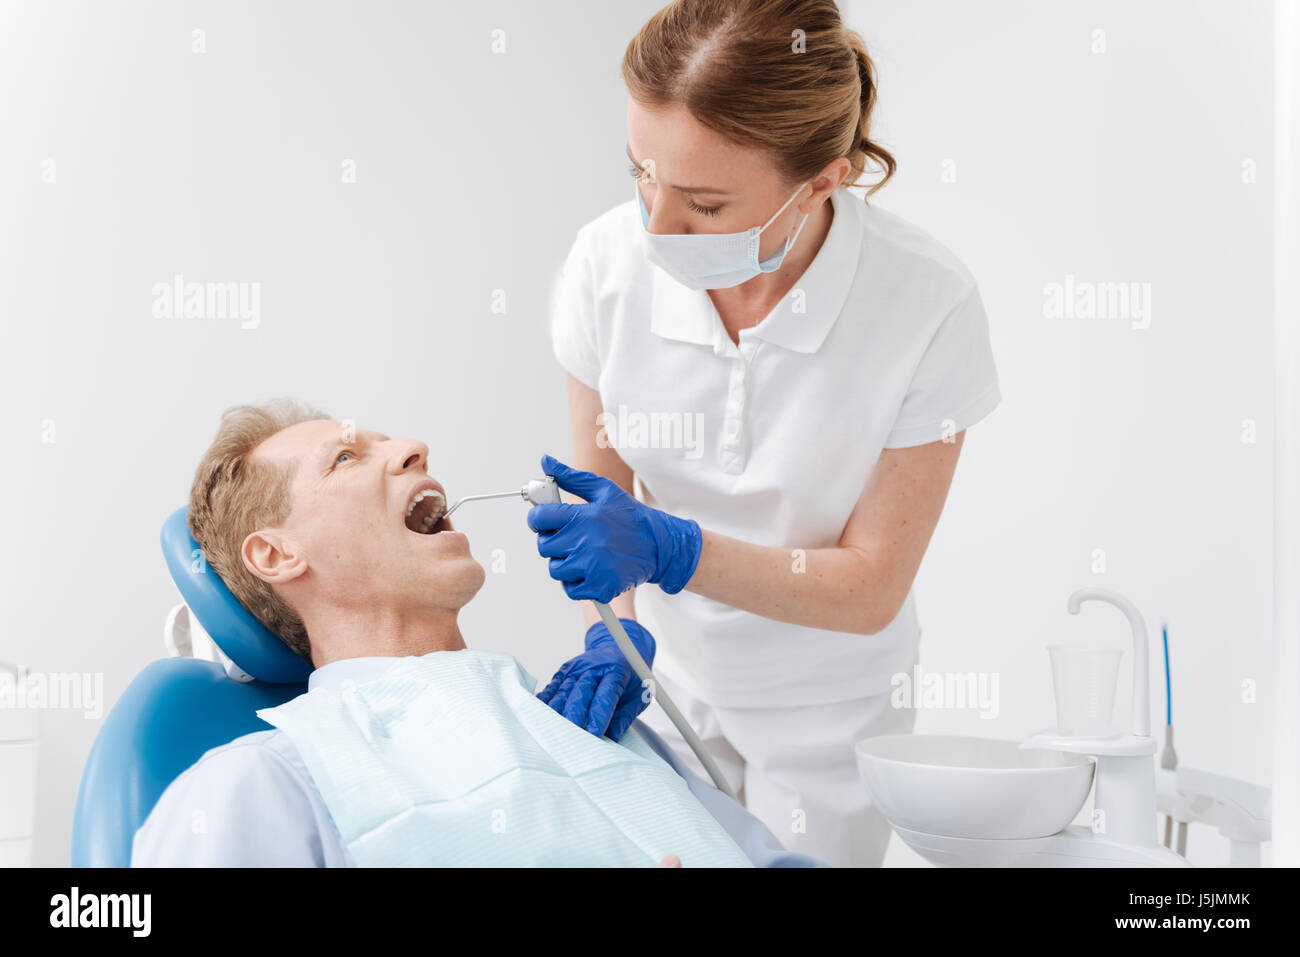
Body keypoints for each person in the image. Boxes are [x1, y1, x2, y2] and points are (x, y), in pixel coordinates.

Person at [534, 0, 1001, 866]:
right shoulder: (603, 267)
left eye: (705, 204)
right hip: (667, 686)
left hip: (830, 716)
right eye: (642, 174)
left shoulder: (925, 305)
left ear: (823, 179)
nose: (655, 226)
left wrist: (676, 549)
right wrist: (614, 629)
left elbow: (871, 588)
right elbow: (599, 501)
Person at [131, 400, 822, 867]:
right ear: (276, 555)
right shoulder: (261, 784)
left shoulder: (596, 728)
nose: (411, 447)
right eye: (344, 458)